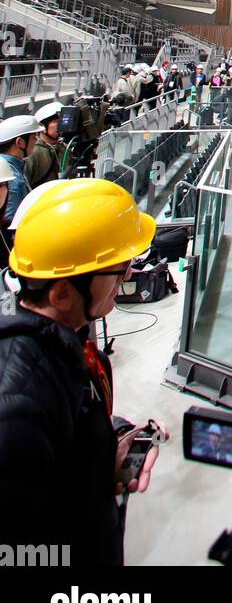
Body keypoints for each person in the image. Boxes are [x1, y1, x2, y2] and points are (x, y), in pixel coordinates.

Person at [0, 178, 167, 563]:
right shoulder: (16, 408)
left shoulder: (60, 336)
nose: (127, 276)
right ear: (62, 292)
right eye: (118, 268)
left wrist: (108, 442)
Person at [0, 113, 41, 226]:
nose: (36, 142)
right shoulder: (12, 175)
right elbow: (10, 222)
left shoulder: (10, 167)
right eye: (34, 138)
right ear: (19, 142)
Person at [24, 102, 64, 189]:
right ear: (42, 126)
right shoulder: (34, 152)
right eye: (56, 121)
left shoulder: (63, 148)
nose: (61, 125)